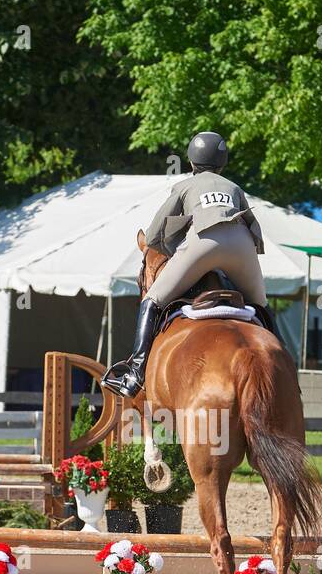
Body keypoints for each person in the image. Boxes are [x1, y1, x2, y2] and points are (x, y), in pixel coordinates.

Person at [102, 131, 269, 398]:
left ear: (191, 162)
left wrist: (174, 249)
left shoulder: (183, 187)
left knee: (153, 300)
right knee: (261, 305)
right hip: (241, 245)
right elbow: (254, 228)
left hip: (203, 244)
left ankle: (134, 374)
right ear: (223, 163)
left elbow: (155, 234)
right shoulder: (233, 188)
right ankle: (285, 370)